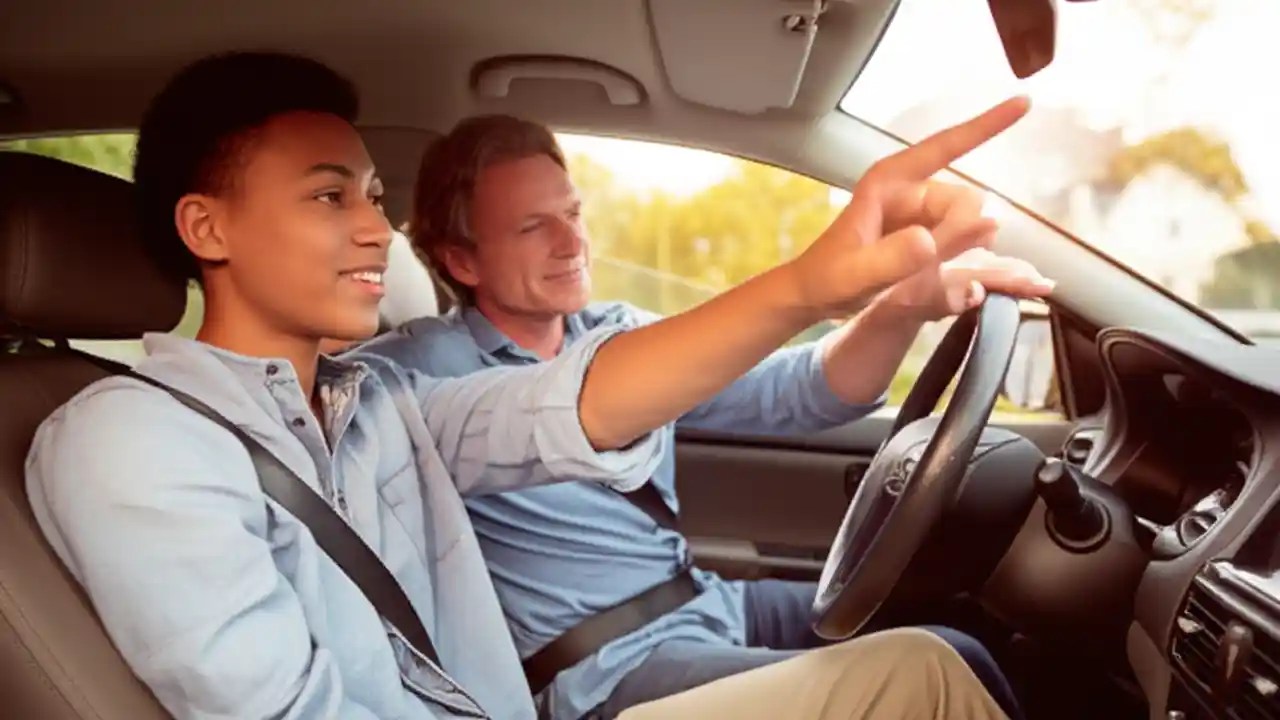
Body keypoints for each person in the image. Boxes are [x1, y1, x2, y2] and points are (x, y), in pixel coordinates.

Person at [24, 51, 1028, 720]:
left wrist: (826, 293)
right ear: (206, 229)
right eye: (330, 196)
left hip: (635, 639)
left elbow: (557, 412)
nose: (375, 228)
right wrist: (806, 284)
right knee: (923, 674)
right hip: (594, 683)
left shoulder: (373, 407)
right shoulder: (126, 440)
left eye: (372, 197)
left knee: (942, 648)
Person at [358, 115, 1053, 720]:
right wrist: (808, 290)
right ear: (459, 259)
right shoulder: (416, 375)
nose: (571, 242)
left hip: (706, 603)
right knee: (934, 666)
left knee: (957, 616)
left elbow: (804, 391)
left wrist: (904, 305)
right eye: (533, 227)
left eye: (572, 213)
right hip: (607, 675)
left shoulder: (616, 330)